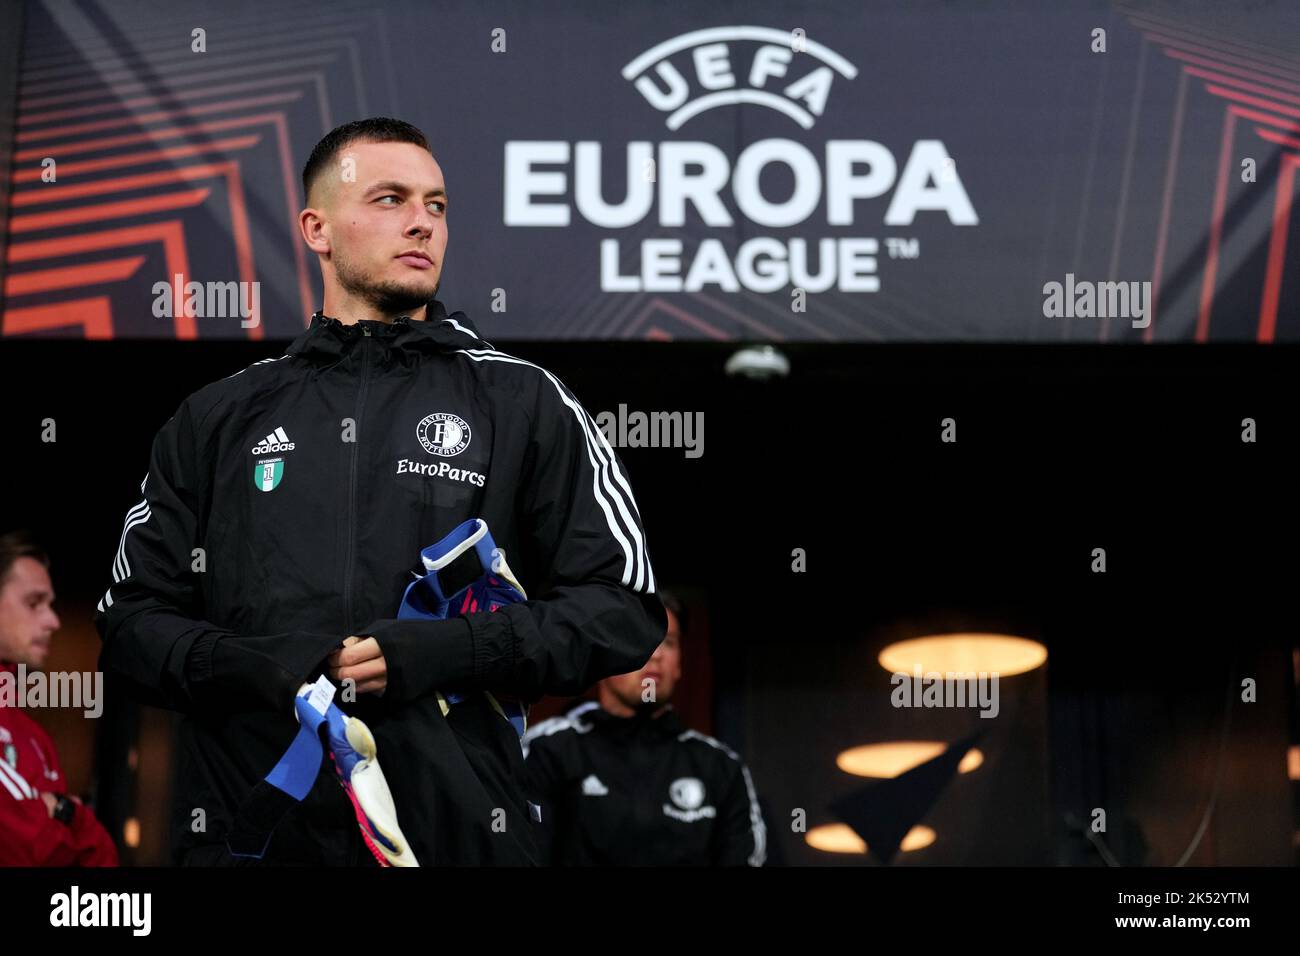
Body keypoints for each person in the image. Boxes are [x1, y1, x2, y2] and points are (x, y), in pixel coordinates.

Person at [94, 117, 665, 865]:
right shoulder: (217, 417)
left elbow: (622, 609)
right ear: (317, 228)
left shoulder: (525, 401)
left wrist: (447, 649)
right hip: (258, 838)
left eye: (437, 205)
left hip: (457, 840)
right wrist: (258, 665)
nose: (422, 222)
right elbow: (130, 622)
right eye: (391, 199)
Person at [524, 591, 765, 865]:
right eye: (638, 637)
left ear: (679, 666)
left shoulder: (721, 767)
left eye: (669, 642)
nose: (656, 654)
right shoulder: (547, 751)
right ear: (604, 655)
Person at [0, 531, 117, 866]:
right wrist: (71, 814)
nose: (53, 621)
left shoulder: (36, 740)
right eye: (34, 603)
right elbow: (28, 846)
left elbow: (101, 857)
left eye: (50, 605)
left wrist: (60, 813)